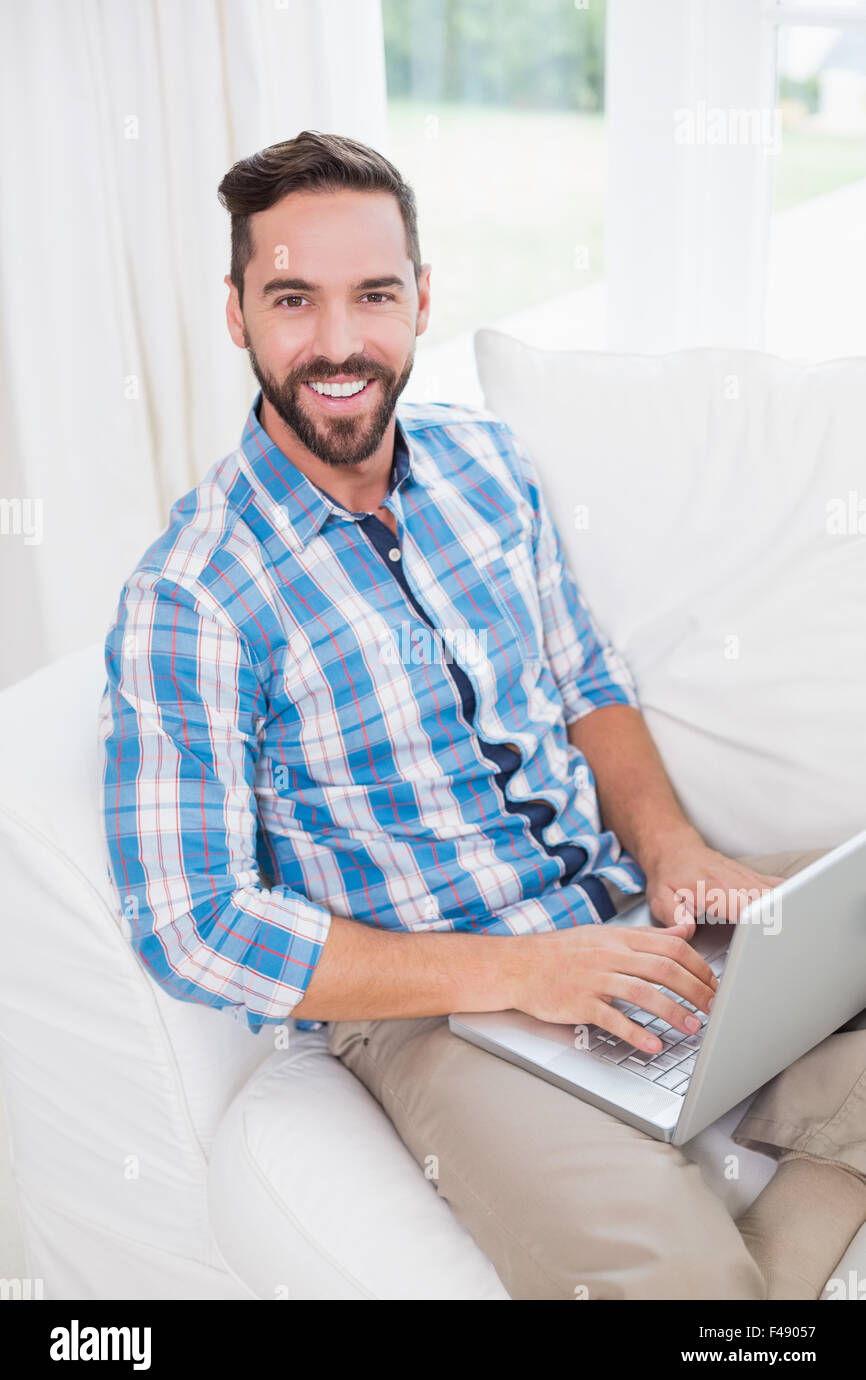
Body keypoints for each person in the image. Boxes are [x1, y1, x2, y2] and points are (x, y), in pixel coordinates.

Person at [98, 130, 866, 1300]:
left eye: (375, 295)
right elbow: (195, 924)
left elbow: (587, 684)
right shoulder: (191, 596)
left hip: (621, 914)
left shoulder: (483, 466)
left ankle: (793, 1149)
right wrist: (524, 972)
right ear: (237, 310)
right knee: (682, 1295)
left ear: (420, 301)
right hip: (435, 1007)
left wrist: (673, 853)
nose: (340, 343)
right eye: (294, 298)